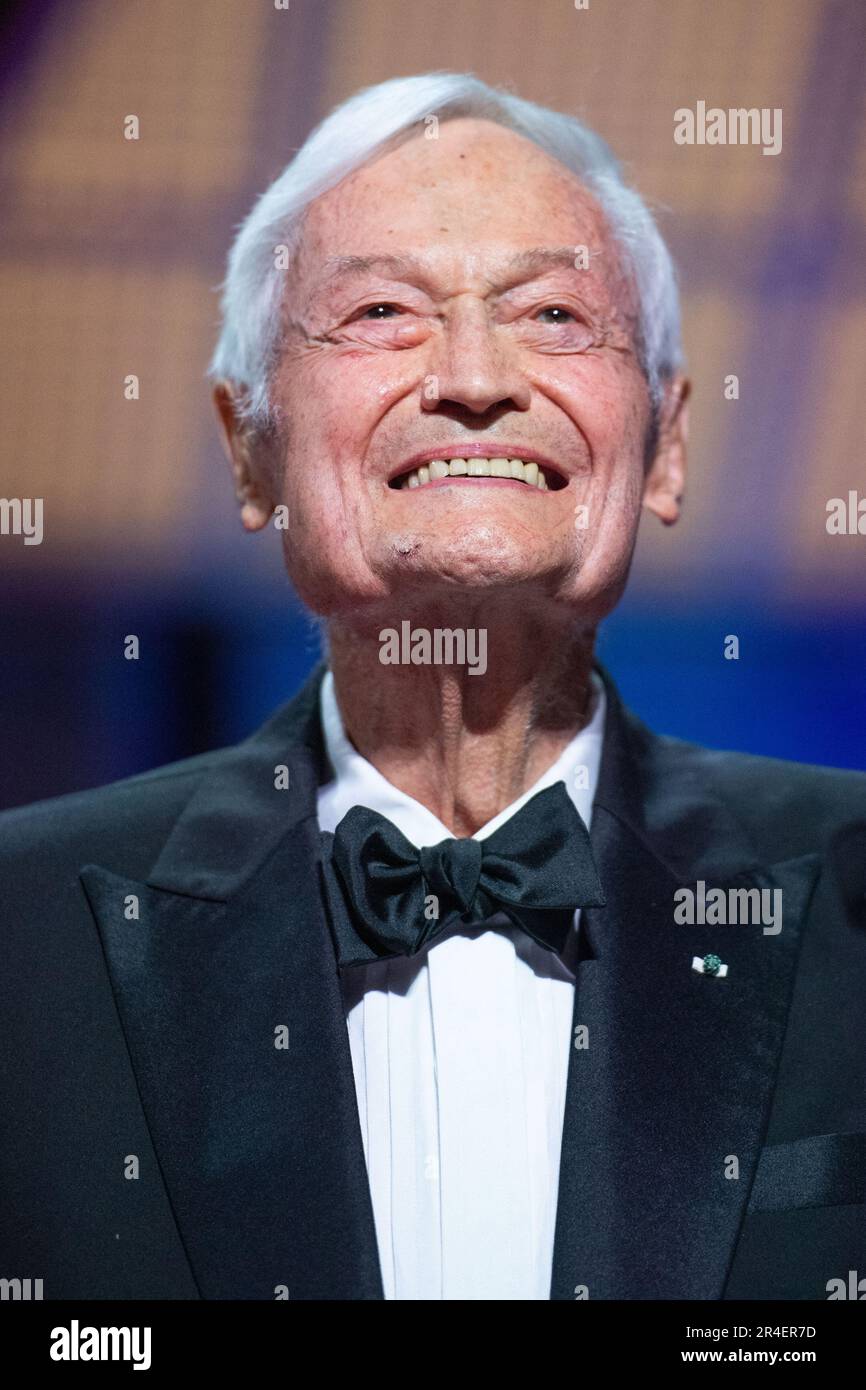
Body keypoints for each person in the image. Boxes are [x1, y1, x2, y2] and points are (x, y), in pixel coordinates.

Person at [2, 73, 865, 1302]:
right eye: (381, 312)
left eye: (556, 313)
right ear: (251, 447)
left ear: (665, 442)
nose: (472, 374)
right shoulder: (20, 938)